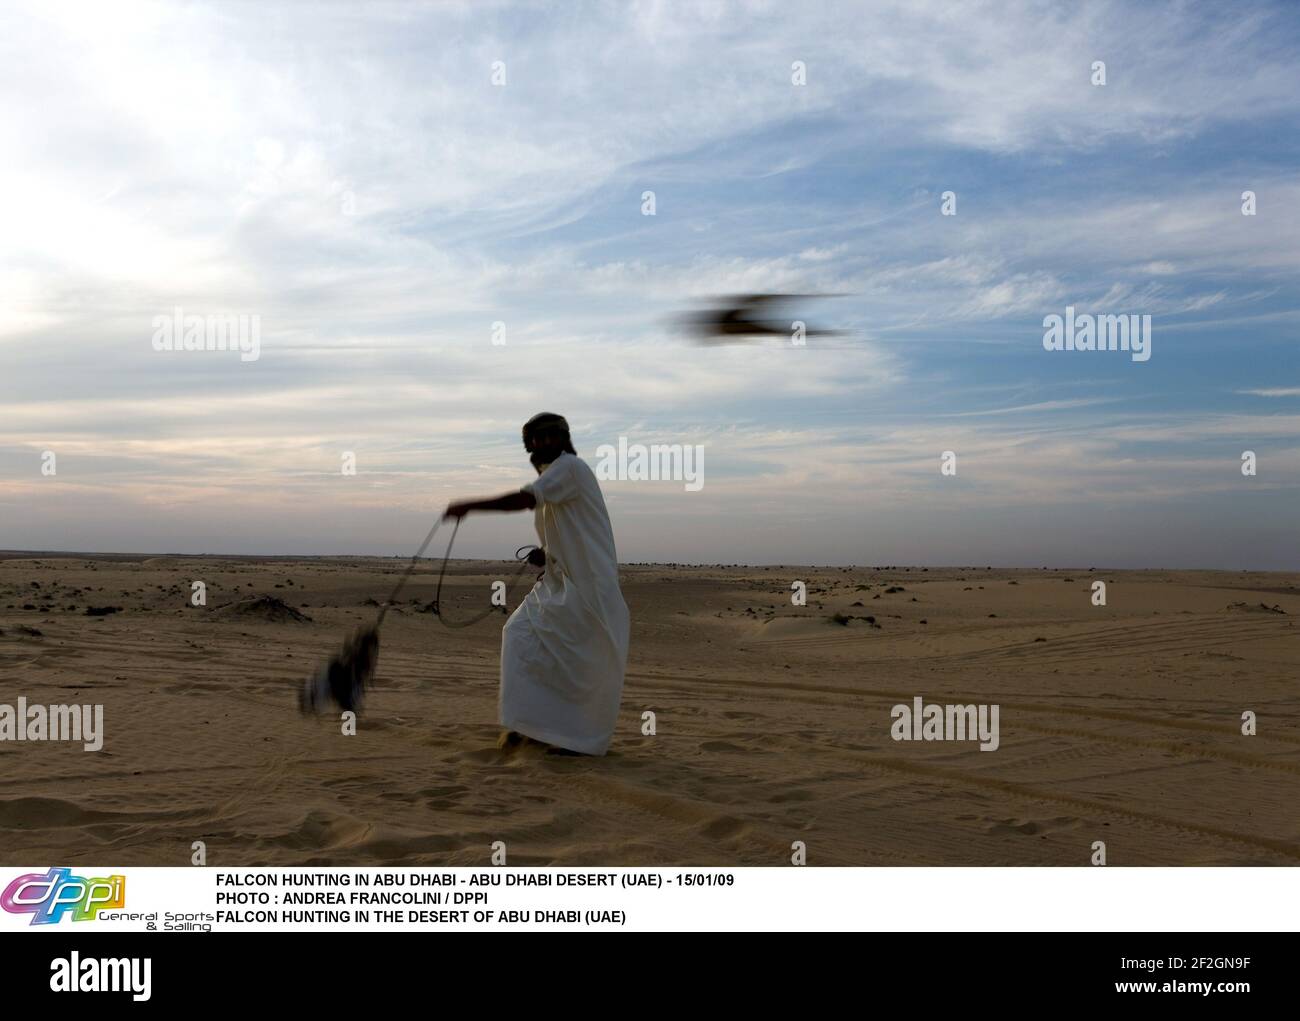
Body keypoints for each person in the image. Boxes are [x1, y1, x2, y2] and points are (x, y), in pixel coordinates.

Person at [444, 413, 629, 755]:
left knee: (577, 664)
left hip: (586, 587)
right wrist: (547, 554)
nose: (542, 444)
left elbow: (526, 499)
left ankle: (576, 739)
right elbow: (569, 526)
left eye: (549, 436)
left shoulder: (569, 467)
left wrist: (469, 506)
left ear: (562, 439)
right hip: (559, 584)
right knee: (520, 635)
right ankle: (528, 726)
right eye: (535, 439)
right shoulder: (556, 474)